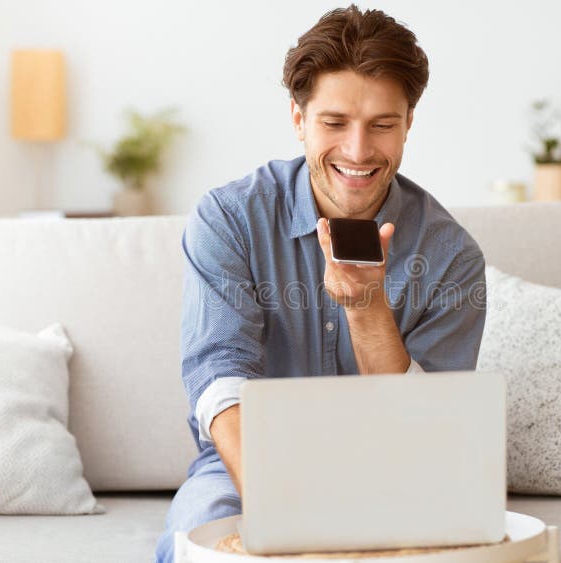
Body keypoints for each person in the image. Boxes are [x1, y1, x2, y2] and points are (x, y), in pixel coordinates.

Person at [154, 5, 486, 562]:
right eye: (334, 123)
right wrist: (290, 513)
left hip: (393, 465)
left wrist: (367, 307)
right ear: (298, 118)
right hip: (250, 462)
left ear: (409, 123)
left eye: (382, 124)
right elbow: (218, 378)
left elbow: (426, 432)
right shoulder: (230, 219)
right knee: (198, 533)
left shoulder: (451, 255)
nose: (358, 152)